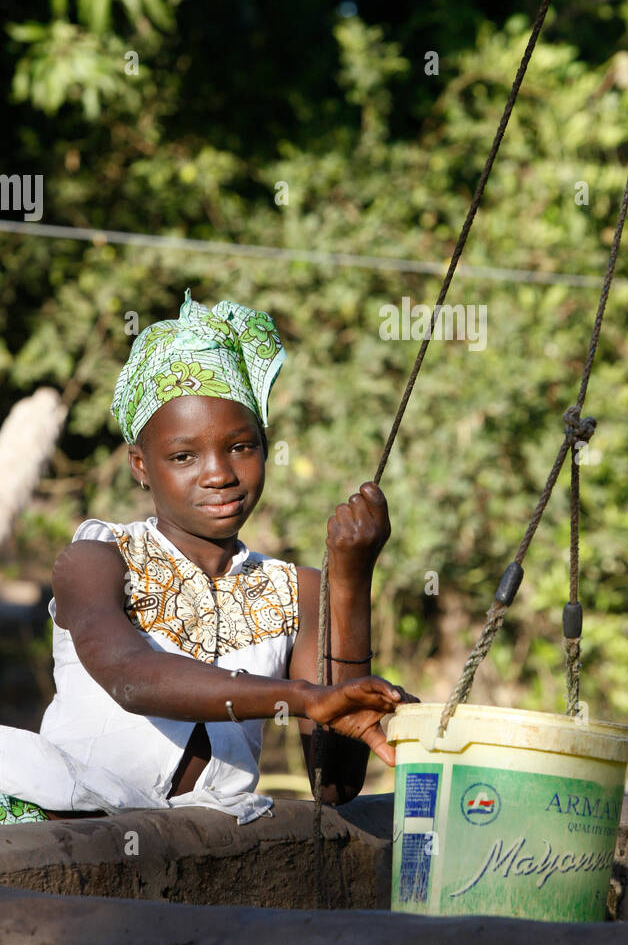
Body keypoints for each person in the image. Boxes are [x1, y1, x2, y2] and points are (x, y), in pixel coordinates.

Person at [0, 289, 416, 825]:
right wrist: (303, 696)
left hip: (196, 847)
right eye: (183, 456)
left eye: (241, 446)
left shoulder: (298, 590)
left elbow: (334, 783)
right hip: (62, 818)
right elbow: (132, 678)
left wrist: (351, 580)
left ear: (265, 448)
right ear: (140, 466)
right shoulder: (99, 558)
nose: (219, 473)